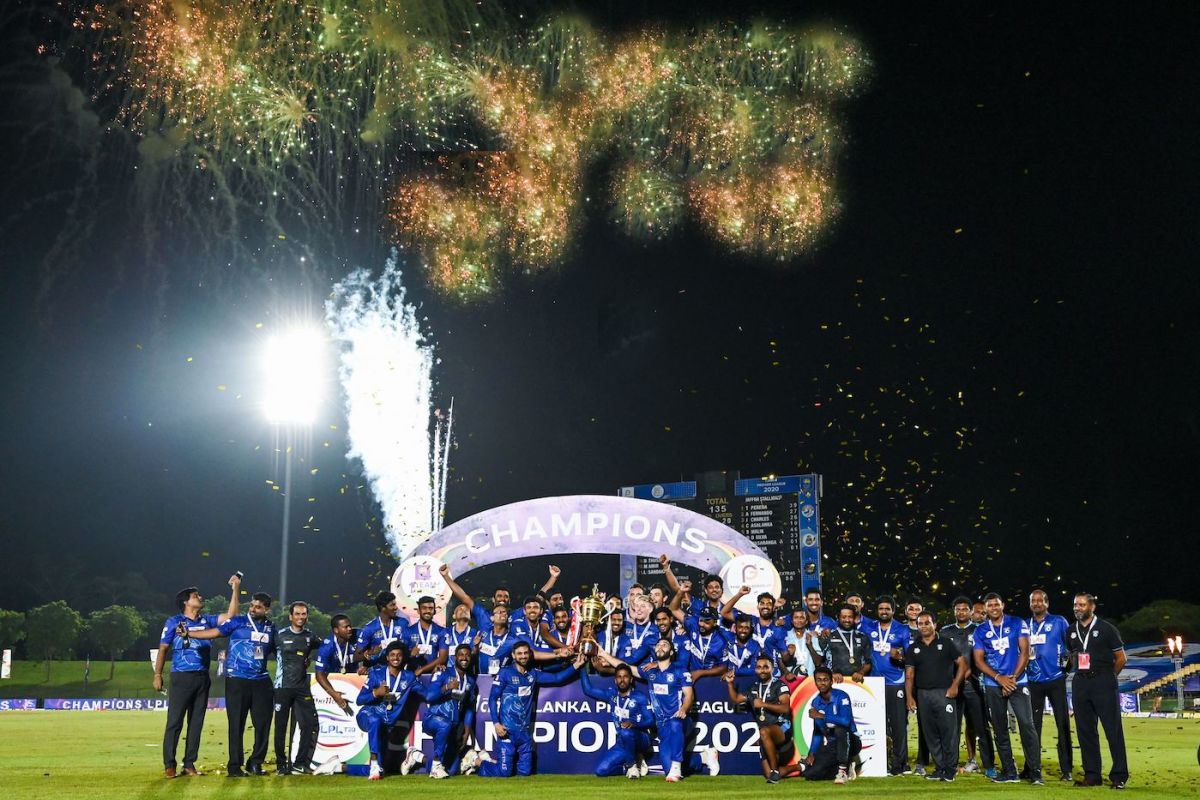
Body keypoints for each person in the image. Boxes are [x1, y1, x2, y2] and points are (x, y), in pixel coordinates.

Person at [595, 638, 720, 781]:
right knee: (668, 768)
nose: (660, 646)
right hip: (663, 727)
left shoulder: (680, 670)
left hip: (681, 721)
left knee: (675, 723)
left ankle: (676, 767)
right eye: (658, 644)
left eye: (665, 645)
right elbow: (626, 667)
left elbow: (689, 695)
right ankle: (704, 757)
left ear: (671, 652)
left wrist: (684, 709)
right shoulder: (650, 672)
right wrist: (604, 655)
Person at [154, 575, 240, 777]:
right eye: (196, 596)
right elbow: (163, 648)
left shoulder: (206, 620)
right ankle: (169, 764)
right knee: (175, 722)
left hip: (202, 677)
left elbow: (232, 617)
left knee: (196, 723)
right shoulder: (174, 621)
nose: (200, 597)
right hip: (181, 676)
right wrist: (158, 674)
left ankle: (189, 764)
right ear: (186, 602)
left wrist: (235, 589)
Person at [185, 590, 277, 776]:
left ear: (266, 609)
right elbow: (214, 632)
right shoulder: (237, 622)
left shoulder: (271, 628)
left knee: (263, 724)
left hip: (261, 681)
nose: (253, 609)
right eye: (251, 605)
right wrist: (189, 634)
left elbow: (278, 650)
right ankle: (234, 766)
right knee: (236, 724)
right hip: (237, 679)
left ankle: (255, 762)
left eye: (258, 607)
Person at [473, 643, 582, 777]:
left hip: (524, 733)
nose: (523, 656)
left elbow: (556, 678)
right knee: (504, 773)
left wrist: (576, 665)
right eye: (519, 653)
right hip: (506, 731)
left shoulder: (533, 673)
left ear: (530, 654)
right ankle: (477, 761)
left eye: (525, 653)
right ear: (513, 655)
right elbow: (492, 698)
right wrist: (496, 723)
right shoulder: (505, 673)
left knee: (525, 773)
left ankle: (496, 763)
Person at [972, 592, 1041, 784]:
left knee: (1027, 725)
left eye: (996, 604)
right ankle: (1010, 772)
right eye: (990, 605)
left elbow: (1025, 652)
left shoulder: (1017, 623)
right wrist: (998, 678)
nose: (993, 608)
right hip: (993, 684)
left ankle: (1035, 772)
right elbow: (978, 660)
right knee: (1000, 728)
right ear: (985, 609)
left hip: (1018, 681)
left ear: (1003, 605)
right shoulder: (980, 631)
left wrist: (1011, 679)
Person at [1067, 592, 1129, 789]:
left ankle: (1119, 776)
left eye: (1082, 605)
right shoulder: (1071, 631)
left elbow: (1121, 658)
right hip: (1080, 682)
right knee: (1085, 731)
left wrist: (1109, 678)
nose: (1077, 608)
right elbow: (1072, 655)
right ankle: (1092, 775)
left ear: (1092, 607)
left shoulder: (1107, 628)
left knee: (1113, 730)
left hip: (1103, 681)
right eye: (1075, 605)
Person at [904, 611, 968, 782]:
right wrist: (909, 697)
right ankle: (940, 768)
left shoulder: (946, 643)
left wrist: (954, 686)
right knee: (930, 733)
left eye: (927, 623)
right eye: (920, 623)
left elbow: (963, 665)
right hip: (923, 694)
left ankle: (950, 769)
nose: (924, 626)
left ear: (935, 625)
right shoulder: (913, 647)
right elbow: (909, 675)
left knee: (948, 732)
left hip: (944, 692)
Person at [356, 641, 431, 780]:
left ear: (403, 657)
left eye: (399, 655)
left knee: (384, 769)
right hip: (367, 715)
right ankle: (374, 763)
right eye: (392, 655)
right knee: (375, 720)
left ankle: (339, 767)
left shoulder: (409, 677)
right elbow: (359, 700)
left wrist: (445, 689)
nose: (395, 658)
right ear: (387, 657)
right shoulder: (376, 674)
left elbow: (428, 695)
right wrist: (376, 693)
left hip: (386, 726)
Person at [940, 596, 995, 777]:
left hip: (973, 685)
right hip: (952, 686)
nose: (961, 612)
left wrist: (965, 674)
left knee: (980, 726)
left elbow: (982, 658)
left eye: (965, 609)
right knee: (952, 727)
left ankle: (989, 765)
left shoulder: (980, 630)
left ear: (971, 611)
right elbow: (943, 659)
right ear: (954, 611)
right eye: (958, 609)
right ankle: (951, 764)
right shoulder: (945, 632)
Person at [725, 654, 798, 783]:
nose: (762, 670)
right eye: (759, 667)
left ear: (772, 668)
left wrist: (763, 704)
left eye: (765, 667)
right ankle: (799, 766)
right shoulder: (754, 687)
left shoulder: (779, 685)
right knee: (768, 775)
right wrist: (730, 684)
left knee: (763, 732)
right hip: (765, 733)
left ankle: (775, 771)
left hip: (782, 728)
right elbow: (736, 699)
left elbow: (785, 708)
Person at [1026, 589, 1073, 781]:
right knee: (1032, 727)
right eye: (1033, 601)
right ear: (1030, 604)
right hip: (1033, 681)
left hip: (1055, 679)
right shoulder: (1025, 625)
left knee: (1062, 724)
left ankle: (1066, 769)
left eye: (1040, 600)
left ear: (1047, 603)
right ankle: (1032, 768)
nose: (1037, 603)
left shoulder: (1059, 621)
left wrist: (1064, 669)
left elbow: (1069, 647)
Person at [579, 663, 655, 778]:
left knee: (626, 733)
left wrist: (634, 724)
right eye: (619, 677)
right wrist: (581, 667)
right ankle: (631, 765)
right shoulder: (612, 695)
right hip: (623, 741)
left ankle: (632, 766)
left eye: (625, 676)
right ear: (615, 680)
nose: (622, 680)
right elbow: (588, 690)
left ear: (631, 679)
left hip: (641, 738)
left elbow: (651, 720)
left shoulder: (640, 697)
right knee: (601, 771)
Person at [273, 601, 323, 775]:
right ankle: (281, 765)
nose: (301, 617)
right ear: (290, 616)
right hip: (283, 687)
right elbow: (263, 652)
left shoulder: (310, 637)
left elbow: (326, 648)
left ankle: (300, 763)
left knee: (308, 724)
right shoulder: (279, 636)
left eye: (304, 614)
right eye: (297, 614)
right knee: (281, 727)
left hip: (302, 687)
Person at [867, 595, 911, 775]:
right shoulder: (869, 627)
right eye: (881, 609)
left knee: (898, 725)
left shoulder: (902, 629)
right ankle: (881, 761)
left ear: (893, 610)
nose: (884, 611)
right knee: (879, 725)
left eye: (887, 609)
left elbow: (911, 658)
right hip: (874, 683)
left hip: (896, 682)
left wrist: (900, 657)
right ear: (876, 611)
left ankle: (900, 764)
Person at [422, 643, 478, 778]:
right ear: (455, 657)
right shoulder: (442, 672)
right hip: (433, 719)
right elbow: (429, 696)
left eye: (467, 655)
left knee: (452, 770)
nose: (464, 658)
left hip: (453, 726)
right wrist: (447, 687)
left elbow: (469, 708)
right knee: (444, 724)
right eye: (461, 655)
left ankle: (417, 757)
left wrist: (466, 731)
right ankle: (436, 765)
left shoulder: (470, 681)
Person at [802, 666, 862, 783]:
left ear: (831, 681)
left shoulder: (842, 696)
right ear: (815, 682)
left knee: (840, 730)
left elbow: (846, 721)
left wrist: (822, 715)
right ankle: (847, 767)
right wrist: (811, 753)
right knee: (811, 774)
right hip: (833, 745)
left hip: (851, 741)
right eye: (819, 680)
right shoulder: (816, 702)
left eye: (825, 680)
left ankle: (842, 771)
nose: (822, 683)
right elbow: (818, 732)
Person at [314, 614, 363, 714]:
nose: (349, 629)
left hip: (355, 682)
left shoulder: (357, 635)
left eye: (350, 626)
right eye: (346, 627)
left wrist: (366, 665)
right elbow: (319, 675)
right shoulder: (327, 647)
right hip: (334, 683)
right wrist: (334, 695)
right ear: (336, 630)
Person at [819, 604, 873, 683]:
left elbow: (868, 663)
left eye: (850, 617)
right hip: (833, 681)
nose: (847, 620)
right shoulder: (828, 636)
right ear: (838, 618)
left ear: (854, 618)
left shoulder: (863, 637)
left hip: (857, 682)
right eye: (843, 617)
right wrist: (830, 673)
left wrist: (861, 672)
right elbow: (820, 662)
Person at [355, 591, 403, 669]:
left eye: (395, 604)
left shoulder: (403, 623)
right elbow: (356, 657)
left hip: (399, 671)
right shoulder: (370, 628)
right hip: (378, 672)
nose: (396, 608)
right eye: (392, 605)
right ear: (382, 608)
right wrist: (371, 652)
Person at [403, 595, 449, 677]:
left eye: (430, 608)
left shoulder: (441, 631)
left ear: (434, 611)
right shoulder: (408, 631)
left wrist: (422, 669)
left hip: (433, 674)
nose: (427, 611)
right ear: (418, 611)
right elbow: (401, 655)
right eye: (424, 608)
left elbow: (443, 658)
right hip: (412, 675)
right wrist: (410, 654)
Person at [781, 608, 820, 683]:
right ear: (792, 621)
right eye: (796, 617)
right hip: (790, 679)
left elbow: (818, 663)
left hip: (809, 680)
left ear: (806, 621)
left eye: (802, 618)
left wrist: (810, 646)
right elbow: (779, 659)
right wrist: (786, 672)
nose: (799, 620)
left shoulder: (813, 636)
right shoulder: (785, 636)